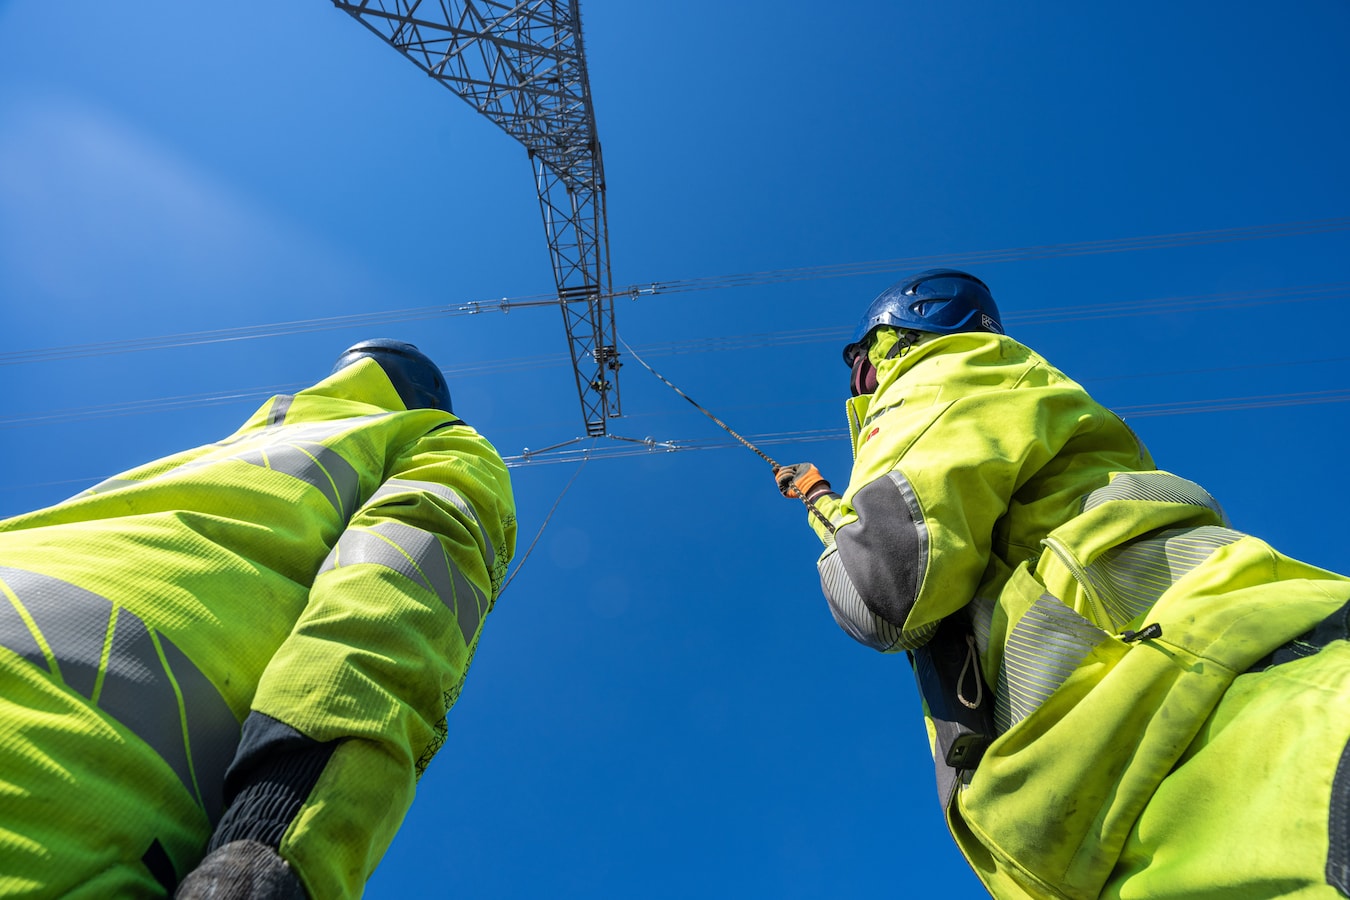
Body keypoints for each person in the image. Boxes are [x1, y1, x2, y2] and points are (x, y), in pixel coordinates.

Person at [775, 270, 1350, 898]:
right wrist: (821, 499)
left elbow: (883, 589)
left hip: (1225, 714)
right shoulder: (1002, 385)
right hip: (1151, 774)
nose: (858, 383)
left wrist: (828, 505)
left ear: (898, 337)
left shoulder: (936, 372)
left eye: (860, 362)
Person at [0, 339, 517, 898]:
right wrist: (276, 830)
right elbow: (398, 585)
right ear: (428, 398)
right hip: (90, 771)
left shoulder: (252, 437)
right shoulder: (438, 439)